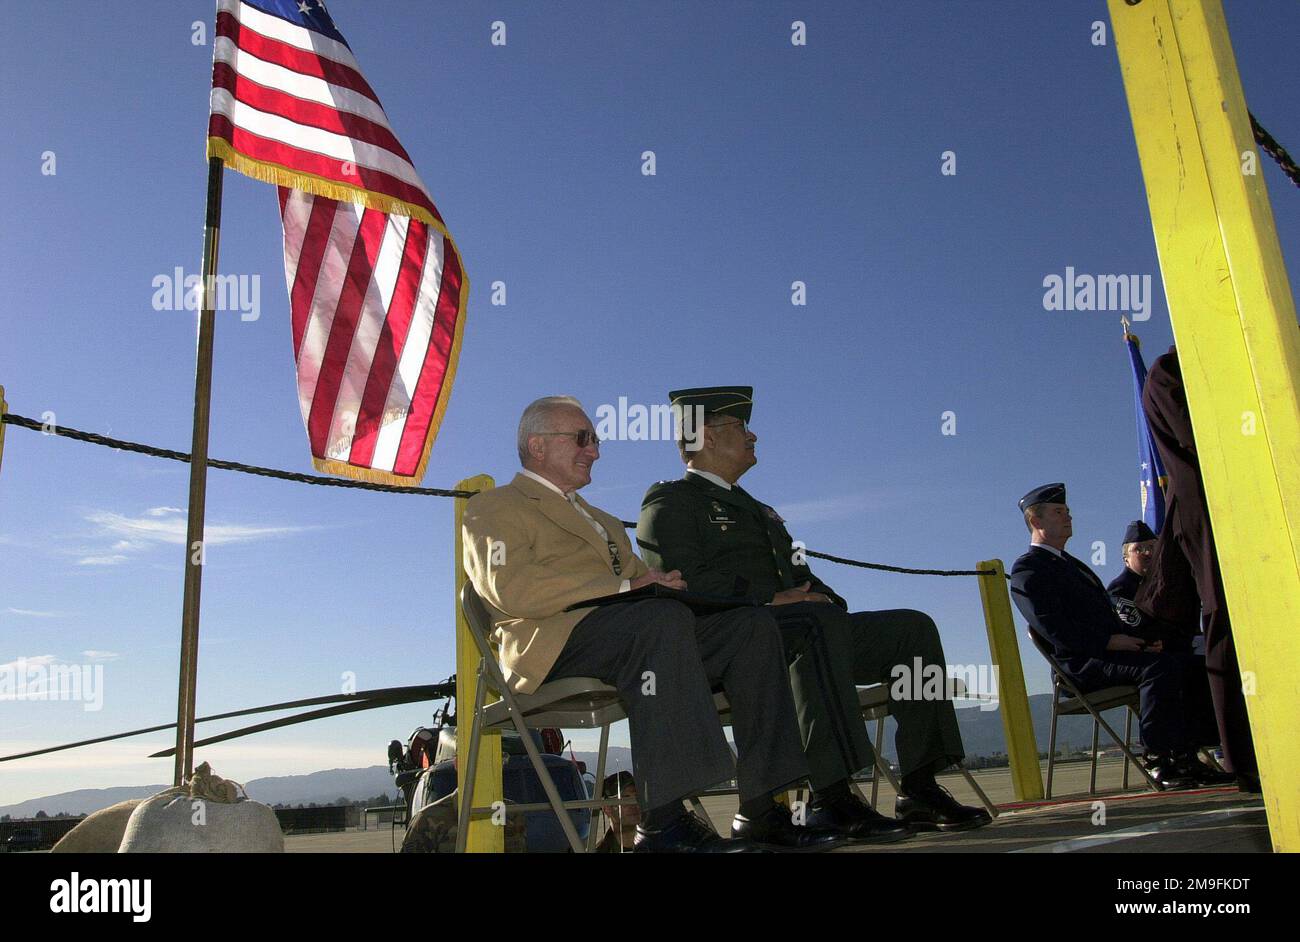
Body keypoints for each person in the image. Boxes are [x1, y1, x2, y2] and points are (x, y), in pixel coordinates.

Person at [462, 396, 842, 853]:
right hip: (550, 640)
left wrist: (662, 584)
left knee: (751, 627)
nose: (595, 450)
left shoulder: (601, 520)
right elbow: (512, 588)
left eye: (596, 439)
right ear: (538, 446)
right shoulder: (493, 507)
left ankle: (761, 810)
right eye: (582, 439)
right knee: (658, 621)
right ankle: (662, 825)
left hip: (635, 631)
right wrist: (625, 589)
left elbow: (638, 583)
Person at [637, 386, 989, 834]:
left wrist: (827, 600)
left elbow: (803, 575)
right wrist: (768, 599)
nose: (754, 436)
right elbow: (683, 577)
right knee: (814, 625)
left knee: (910, 629)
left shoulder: (760, 512)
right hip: (737, 639)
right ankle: (833, 796)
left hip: (808, 626)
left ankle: (919, 787)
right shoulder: (670, 501)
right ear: (705, 436)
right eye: (741, 426)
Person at [1009, 483, 1229, 788]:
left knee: (1188, 664)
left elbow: (1108, 619)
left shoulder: (1073, 566)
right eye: (1059, 512)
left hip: (1110, 654)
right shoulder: (1029, 569)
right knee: (1158, 669)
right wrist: (1107, 642)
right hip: (1081, 664)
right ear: (1036, 521)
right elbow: (1050, 624)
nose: (1068, 517)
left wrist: (1141, 641)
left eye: (1068, 511)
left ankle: (1190, 755)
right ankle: (1160, 760)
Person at [1135, 348, 1260, 792]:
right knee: (1226, 620)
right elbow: (1198, 436)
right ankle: (1245, 758)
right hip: (1208, 509)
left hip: (1235, 503)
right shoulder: (1170, 370)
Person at [594, 771, 639, 853]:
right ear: (607, 808)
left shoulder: (658, 843)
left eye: (637, 797)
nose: (634, 804)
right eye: (625, 798)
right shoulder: (601, 850)